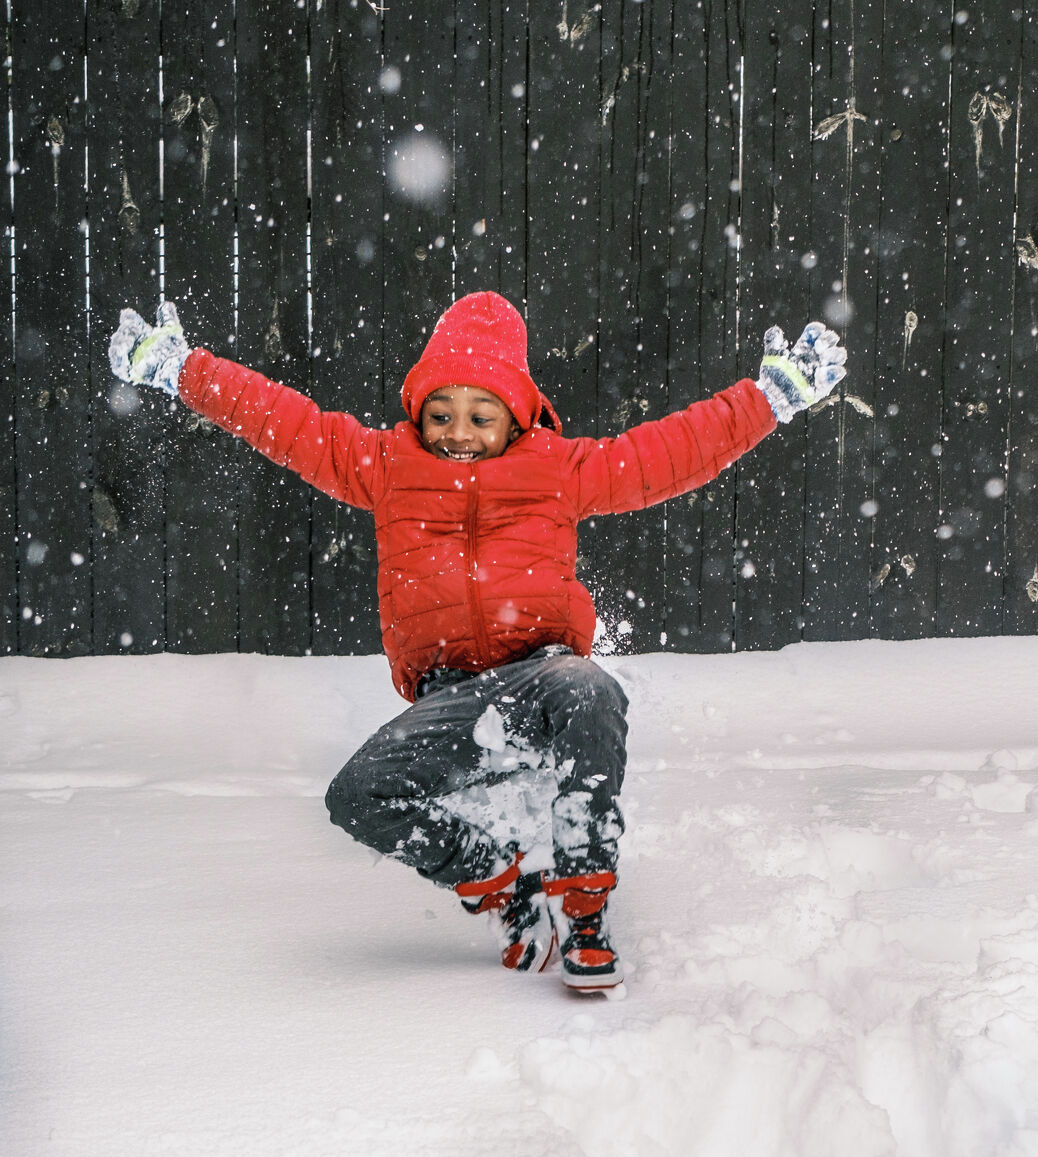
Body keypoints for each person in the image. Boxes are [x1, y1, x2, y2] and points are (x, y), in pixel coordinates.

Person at [107, 292, 847, 991]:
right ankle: (504, 880)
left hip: (542, 679)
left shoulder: (559, 470)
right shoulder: (384, 467)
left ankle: (584, 905)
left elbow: (669, 452)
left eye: (480, 414)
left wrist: (767, 398)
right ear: (418, 414)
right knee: (356, 795)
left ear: (516, 417)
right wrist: (181, 369)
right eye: (442, 413)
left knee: (592, 690)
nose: (459, 431)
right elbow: (282, 419)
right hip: (451, 703)